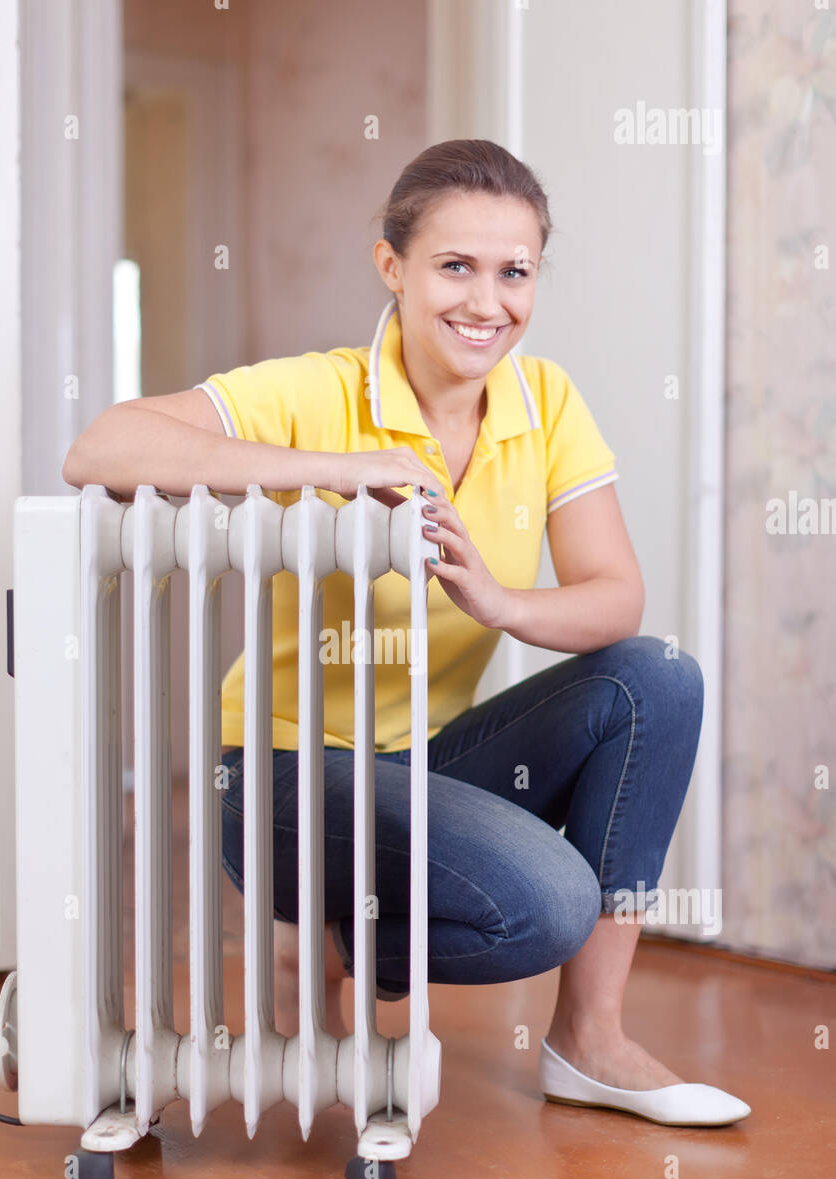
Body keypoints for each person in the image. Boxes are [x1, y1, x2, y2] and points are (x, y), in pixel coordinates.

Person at [64, 138, 749, 1127]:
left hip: (424, 764)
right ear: (392, 268)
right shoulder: (320, 389)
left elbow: (614, 598)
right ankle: (349, 926)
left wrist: (501, 603)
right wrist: (341, 468)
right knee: (549, 904)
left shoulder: (545, 402)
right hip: (284, 775)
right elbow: (102, 448)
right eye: (455, 266)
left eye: (514, 272)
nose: (487, 302)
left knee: (657, 678)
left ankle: (588, 1039)